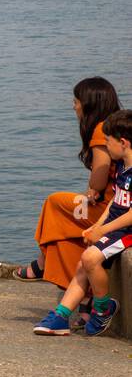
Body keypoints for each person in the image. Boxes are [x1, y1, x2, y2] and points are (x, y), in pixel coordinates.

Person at [33, 110, 132, 337]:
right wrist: (97, 225)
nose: (106, 147)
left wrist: (104, 229)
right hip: (114, 226)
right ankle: (60, 316)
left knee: (89, 258)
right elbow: (115, 203)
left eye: (108, 142)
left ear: (124, 143)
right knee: (83, 264)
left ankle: (103, 307)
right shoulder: (122, 169)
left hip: (126, 230)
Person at [16, 77, 122, 288]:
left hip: (107, 210)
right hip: (114, 204)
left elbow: (99, 181)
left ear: (89, 103)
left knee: (54, 203)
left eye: (76, 101)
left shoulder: (101, 130)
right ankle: (76, 291)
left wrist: (91, 189)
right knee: (63, 235)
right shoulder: (115, 124)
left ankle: (43, 264)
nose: (74, 106)